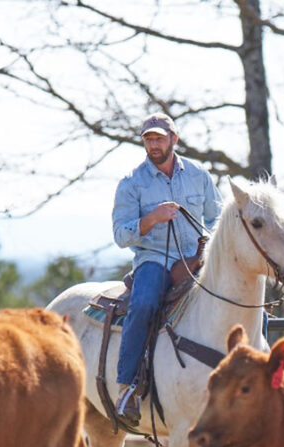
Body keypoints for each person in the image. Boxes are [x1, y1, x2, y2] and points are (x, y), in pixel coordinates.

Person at [111, 112, 222, 425]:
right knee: (144, 303)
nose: (154, 145)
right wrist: (152, 218)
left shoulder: (199, 175)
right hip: (154, 258)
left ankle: (261, 372)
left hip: (197, 256)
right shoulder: (132, 183)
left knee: (242, 299)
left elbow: (217, 218)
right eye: (148, 139)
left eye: (159, 138)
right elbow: (120, 234)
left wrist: (208, 246)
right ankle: (128, 387)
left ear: (174, 139)